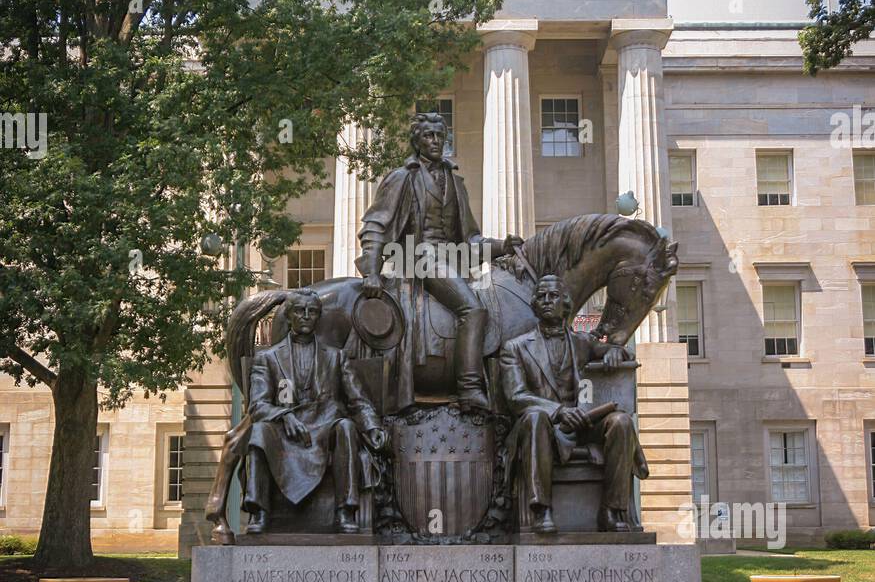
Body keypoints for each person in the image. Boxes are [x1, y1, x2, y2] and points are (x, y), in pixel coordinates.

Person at [357, 110, 522, 411]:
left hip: (454, 260)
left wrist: (503, 245)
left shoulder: (456, 182)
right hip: (417, 257)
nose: (435, 141)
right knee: (473, 309)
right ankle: (470, 387)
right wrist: (371, 271)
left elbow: (471, 239)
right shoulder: (402, 177)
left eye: (440, 136)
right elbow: (375, 224)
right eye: (428, 136)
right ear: (416, 140)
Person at [500, 273, 648, 534]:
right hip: (543, 427)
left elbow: (621, 350)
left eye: (554, 296)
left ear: (566, 304)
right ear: (534, 305)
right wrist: (558, 412)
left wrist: (615, 350)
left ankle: (611, 510)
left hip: (581, 426)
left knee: (621, 422)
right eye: (541, 297)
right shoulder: (515, 348)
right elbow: (516, 397)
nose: (547, 301)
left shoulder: (581, 342)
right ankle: (542, 511)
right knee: (535, 417)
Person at [243, 288, 386, 534]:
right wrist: (283, 415)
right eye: (300, 311)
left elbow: (358, 399)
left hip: (325, 426)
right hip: (284, 430)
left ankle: (345, 511)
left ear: (318, 317)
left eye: (312, 311)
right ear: (288, 317)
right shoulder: (267, 359)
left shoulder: (336, 357)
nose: (306, 316)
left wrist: (372, 426)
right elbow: (257, 404)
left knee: (346, 426)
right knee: (258, 432)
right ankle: (259, 512)